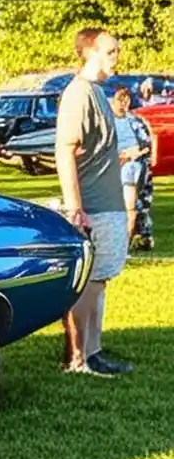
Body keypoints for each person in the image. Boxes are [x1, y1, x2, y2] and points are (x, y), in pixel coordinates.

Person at [55, 27, 133, 377]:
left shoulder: (99, 94)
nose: (117, 56)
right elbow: (65, 150)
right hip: (92, 208)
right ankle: (79, 357)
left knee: (99, 280)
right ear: (89, 52)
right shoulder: (79, 95)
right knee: (88, 281)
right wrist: (75, 208)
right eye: (111, 50)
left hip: (107, 204)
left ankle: (94, 351)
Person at [110, 88, 156, 251]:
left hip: (132, 166)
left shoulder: (135, 121)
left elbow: (146, 144)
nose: (124, 103)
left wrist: (130, 155)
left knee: (130, 206)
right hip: (115, 165)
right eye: (120, 99)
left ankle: (125, 244)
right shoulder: (107, 122)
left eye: (126, 99)